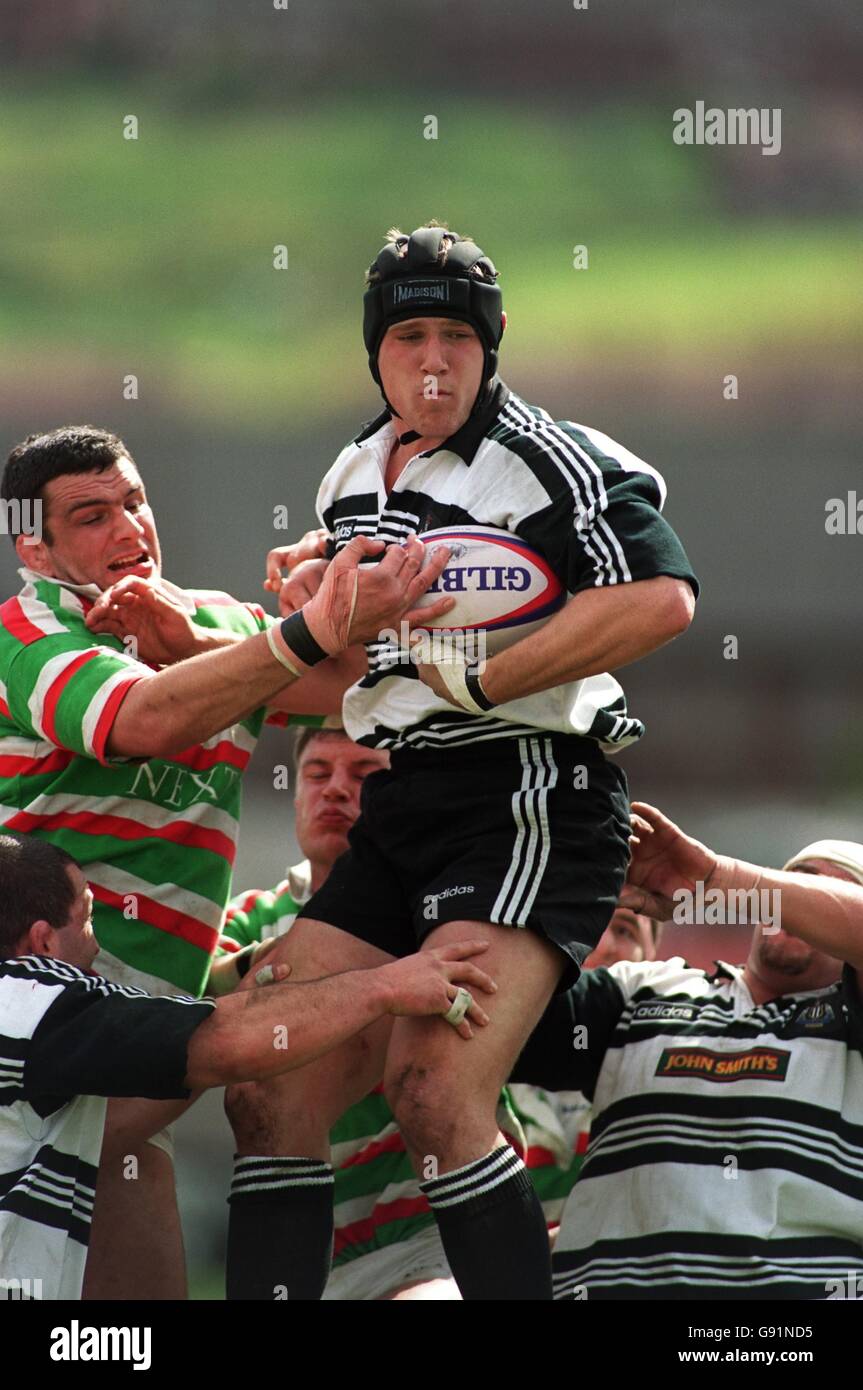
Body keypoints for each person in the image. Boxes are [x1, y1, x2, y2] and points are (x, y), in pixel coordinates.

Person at [225, 221, 699, 1301]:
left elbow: (663, 598)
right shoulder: (350, 475)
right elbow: (350, 662)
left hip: (526, 789)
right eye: (407, 339)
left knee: (434, 1093)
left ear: (490, 347)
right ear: (373, 351)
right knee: (270, 1084)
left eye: (454, 336)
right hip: (405, 798)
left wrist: (484, 679)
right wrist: (302, 604)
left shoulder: (543, 456)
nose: (431, 360)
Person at [0, 424, 453, 1296]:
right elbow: (145, 721)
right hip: (49, 1039)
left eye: (133, 502)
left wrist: (327, 585)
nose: (126, 528)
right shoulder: (27, 629)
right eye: (90, 517)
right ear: (34, 543)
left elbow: (358, 693)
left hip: (147, 1046)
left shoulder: (218, 621)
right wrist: (305, 631)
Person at [225, 728, 657, 1300]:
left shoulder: (450, 894)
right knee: (260, 1091)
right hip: (328, 1249)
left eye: (361, 774)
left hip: (424, 1252)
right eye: (316, 773)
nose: (335, 790)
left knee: (433, 1088)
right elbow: (194, 1033)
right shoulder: (253, 921)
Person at [0, 833, 495, 1300]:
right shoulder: (27, 1002)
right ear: (43, 943)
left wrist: (236, 993)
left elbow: (142, 1094)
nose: (98, 946)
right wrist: (386, 986)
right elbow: (220, 1045)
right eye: (87, 920)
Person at [513, 801, 863, 1300]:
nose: (799, 903)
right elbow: (505, 1014)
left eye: (835, 893)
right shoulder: (644, 988)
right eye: (802, 879)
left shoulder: (850, 1022)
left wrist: (719, 879)